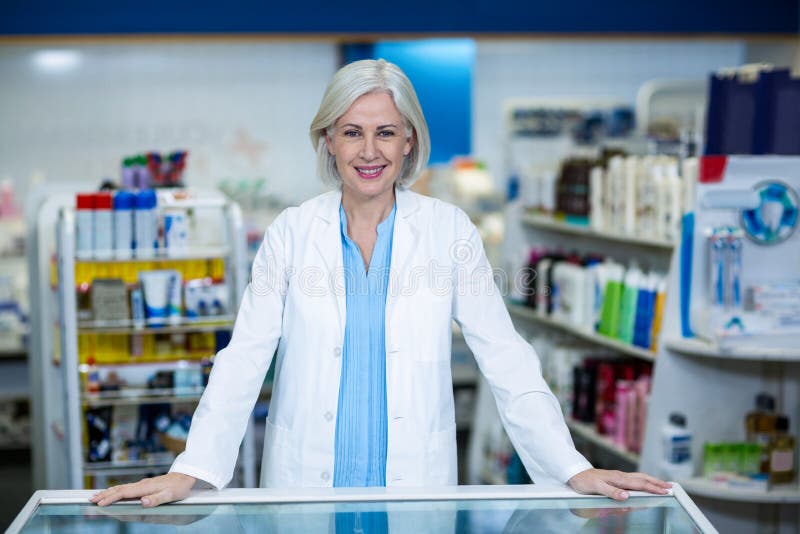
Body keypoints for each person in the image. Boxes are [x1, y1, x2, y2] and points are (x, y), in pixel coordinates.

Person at [91, 59, 671, 508]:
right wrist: (193, 468)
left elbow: (505, 357)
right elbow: (244, 358)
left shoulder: (448, 231)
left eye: (386, 133)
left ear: (409, 140)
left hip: (415, 490)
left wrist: (570, 467)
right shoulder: (292, 233)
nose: (369, 152)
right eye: (352, 132)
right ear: (328, 140)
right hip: (305, 489)